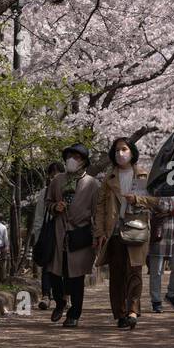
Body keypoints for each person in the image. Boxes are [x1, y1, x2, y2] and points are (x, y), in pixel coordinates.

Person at [94, 136, 152, 329]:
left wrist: (137, 199)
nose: (121, 153)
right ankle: (120, 314)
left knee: (135, 271)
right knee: (117, 273)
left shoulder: (143, 175)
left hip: (137, 229)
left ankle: (133, 311)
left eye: (124, 149)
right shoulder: (109, 179)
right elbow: (100, 206)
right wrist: (100, 231)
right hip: (115, 231)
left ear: (132, 151)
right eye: (117, 150)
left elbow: (156, 202)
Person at [46, 143, 101, 328]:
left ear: (84, 161)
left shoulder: (93, 184)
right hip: (58, 232)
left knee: (76, 277)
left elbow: (96, 212)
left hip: (80, 234)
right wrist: (55, 206)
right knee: (54, 273)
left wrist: (97, 237)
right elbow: (48, 202)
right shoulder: (57, 180)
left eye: (77, 157)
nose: (72, 160)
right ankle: (60, 302)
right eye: (69, 156)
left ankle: (74, 313)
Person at [148, 195, 174, 312]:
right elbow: (156, 206)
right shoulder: (156, 190)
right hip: (158, 235)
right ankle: (156, 301)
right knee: (157, 271)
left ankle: (172, 294)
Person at [32, 161, 62, 310]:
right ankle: (45, 295)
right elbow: (38, 216)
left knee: (64, 265)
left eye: (57, 173)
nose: (54, 176)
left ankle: (64, 296)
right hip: (48, 232)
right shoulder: (44, 192)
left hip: (63, 232)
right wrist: (37, 236)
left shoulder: (68, 191)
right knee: (47, 264)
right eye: (52, 174)